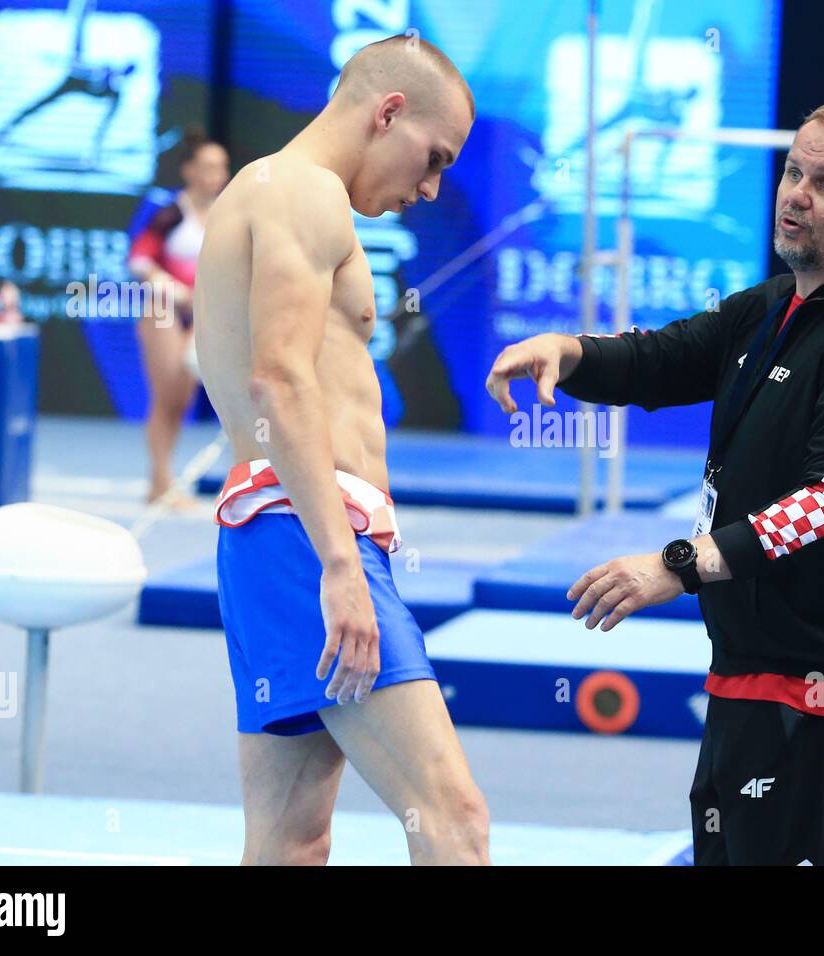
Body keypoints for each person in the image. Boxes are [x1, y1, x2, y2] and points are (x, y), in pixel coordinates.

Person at [487, 100, 824, 865]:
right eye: (795, 171)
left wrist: (680, 564)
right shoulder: (772, 308)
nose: (796, 193)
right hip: (752, 665)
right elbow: (658, 358)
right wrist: (565, 352)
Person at [192, 35, 487, 865]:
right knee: (453, 821)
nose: (429, 188)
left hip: (283, 528)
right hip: (304, 529)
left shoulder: (285, 193)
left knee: (292, 842)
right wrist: (339, 564)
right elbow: (278, 381)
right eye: (432, 158)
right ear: (387, 111)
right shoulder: (300, 190)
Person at [128, 127, 230, 504]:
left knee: (181, 400)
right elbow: (140, 259)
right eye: (206, 167)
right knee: (165, 392)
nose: (214, 176)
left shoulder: (229, 213)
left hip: (206, 312)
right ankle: (160, 479)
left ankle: (162, 479)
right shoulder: (170, 212)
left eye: (220, 167)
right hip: (165, 309)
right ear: (189, 170)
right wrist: (175, 290)